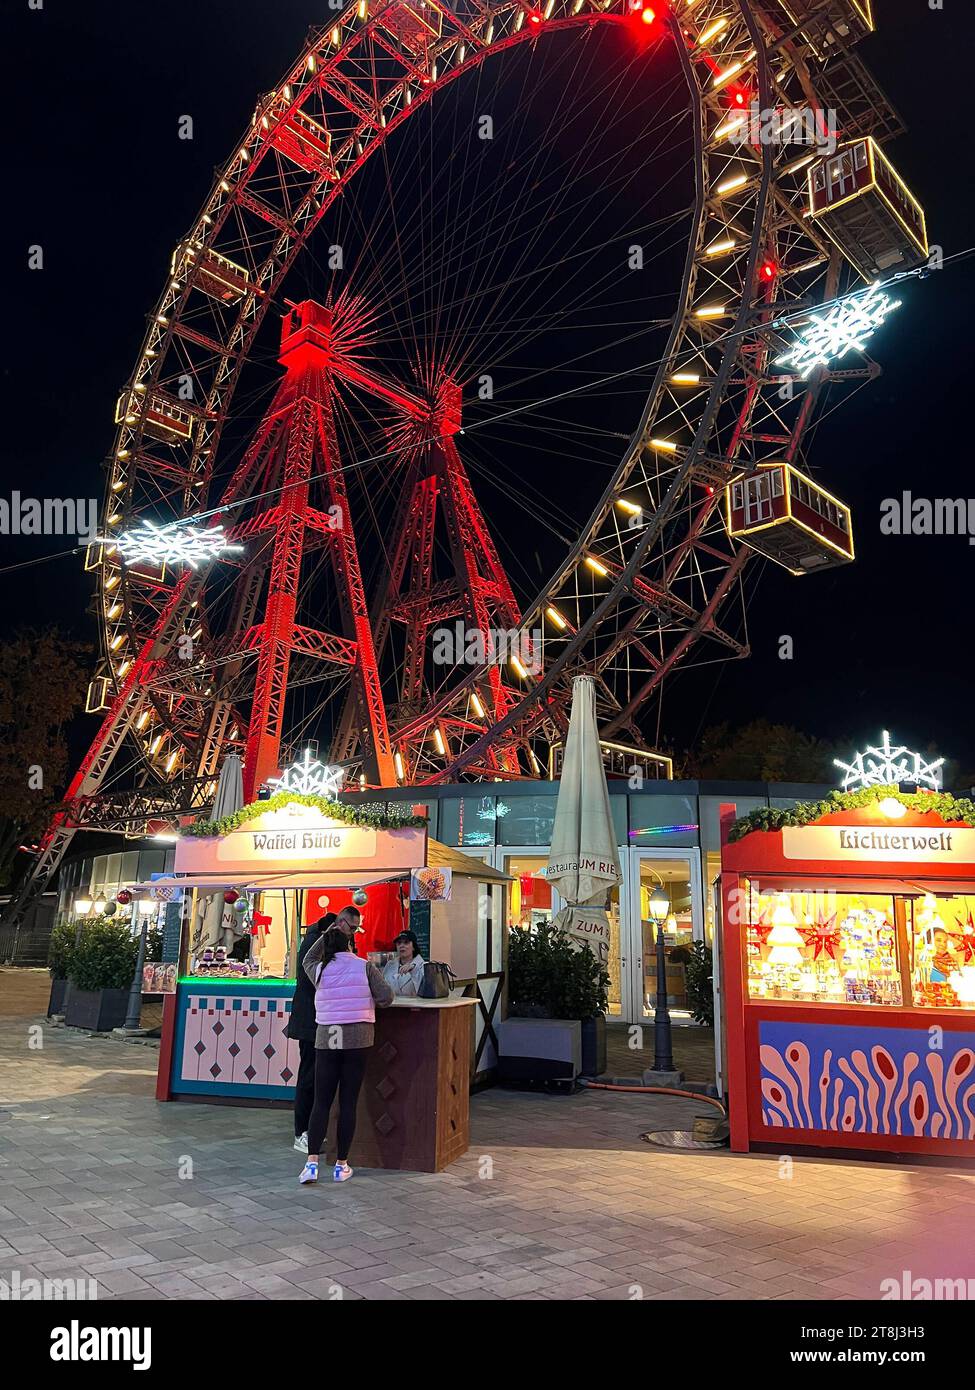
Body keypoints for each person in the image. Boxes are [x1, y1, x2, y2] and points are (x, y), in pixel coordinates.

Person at [298, 925, 393, 1185]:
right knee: (348, 1102)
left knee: (321, 1102)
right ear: (350, 945)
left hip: (327, 1038)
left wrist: (329, 931)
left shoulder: (318, 969)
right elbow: (387, 997)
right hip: (357, 1039)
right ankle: (341, 1166)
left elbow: (307, 957)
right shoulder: (365, 967)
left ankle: (311, 1164)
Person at [285, 912, 335, 1154]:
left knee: (317, 1077)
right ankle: (301, 1132)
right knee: (309, 1078)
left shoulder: (317, 940)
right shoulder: (314, 945)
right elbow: (316, 982)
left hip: (318, 1022)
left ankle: (313, 1130)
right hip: (310, 1023)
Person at [382, 930, 425, 997]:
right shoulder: (389, 965)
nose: (402, 945)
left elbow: (423, 989)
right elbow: (382, 987)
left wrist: (413, 970)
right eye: (399, 943)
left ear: (414, 947)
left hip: (414, 1007)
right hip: (391, 1006)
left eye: (406, 942)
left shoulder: (423, 966)